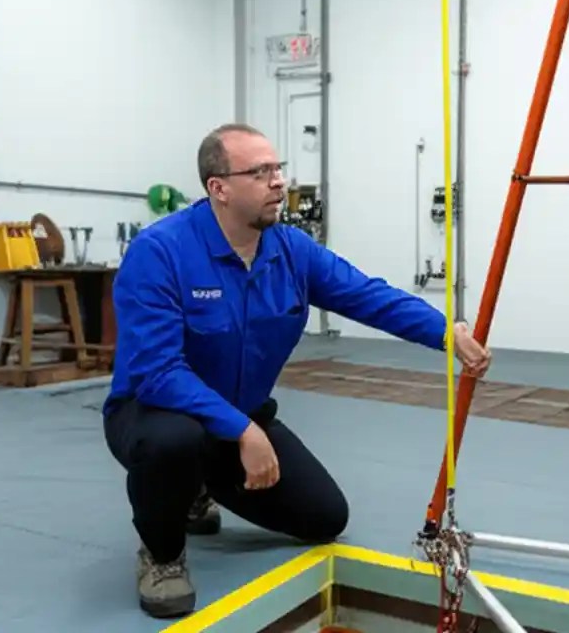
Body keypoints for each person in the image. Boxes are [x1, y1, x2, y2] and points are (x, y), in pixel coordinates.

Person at [102, 123, 492, 618]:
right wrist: (242, 430)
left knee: (325, 516)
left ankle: (197, 488)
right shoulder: (159, 253)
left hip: (240, 416)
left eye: (278, 168)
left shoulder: (290, 249)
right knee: (172, 443)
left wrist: (444, 332)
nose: (279, 181)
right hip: (156, 412)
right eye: (260, 172)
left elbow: (366, 295)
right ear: (218, 188)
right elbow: (158, 372)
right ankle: (162, 554)